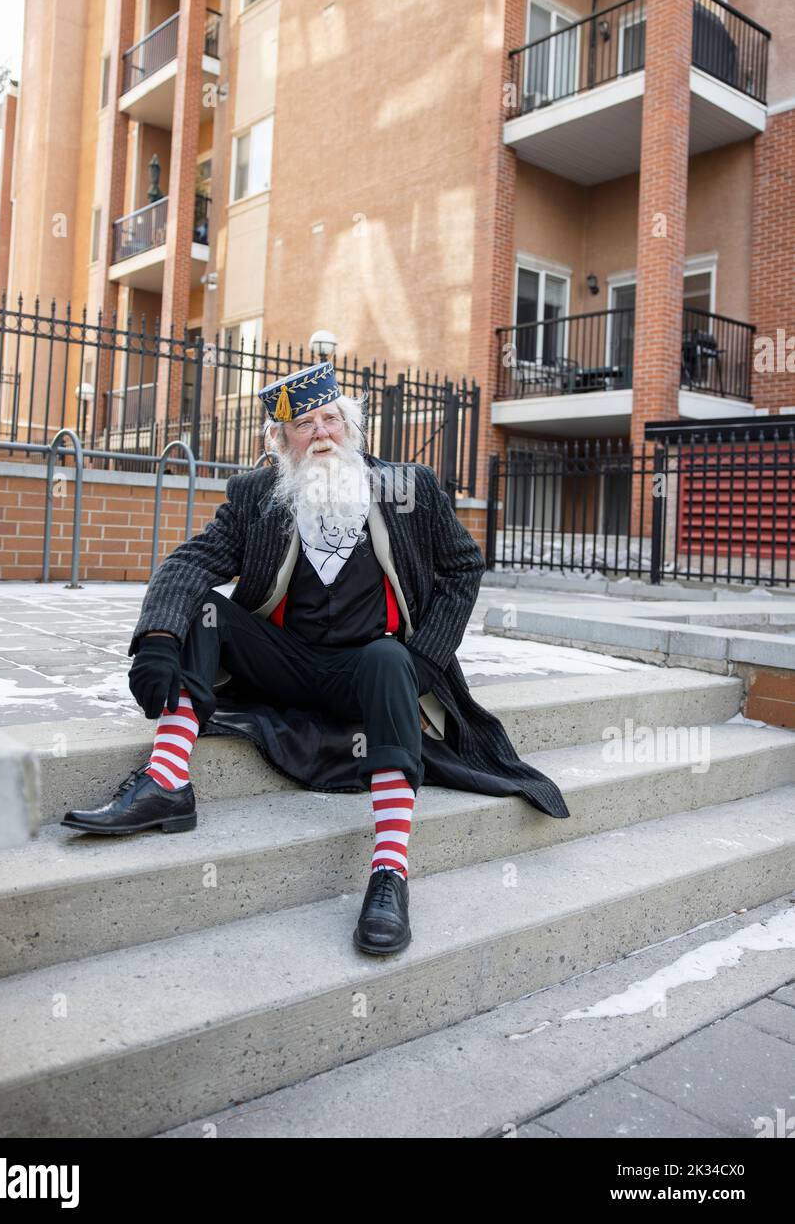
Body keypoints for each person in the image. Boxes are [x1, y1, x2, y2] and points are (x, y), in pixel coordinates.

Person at [62, 361, 569, 955]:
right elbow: (189, 563)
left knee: (385, 658)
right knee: (203, 609)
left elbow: (462, 568)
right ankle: (167, 783)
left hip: (371, 674)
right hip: (288, 666)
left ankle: (388, 873)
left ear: (350, 428)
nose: (322, 432)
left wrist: (423, 662)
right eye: (304, 424)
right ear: (280, 441)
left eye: (331, 418)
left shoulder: (409, 488)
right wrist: (157, 640)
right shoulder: (257, 495)